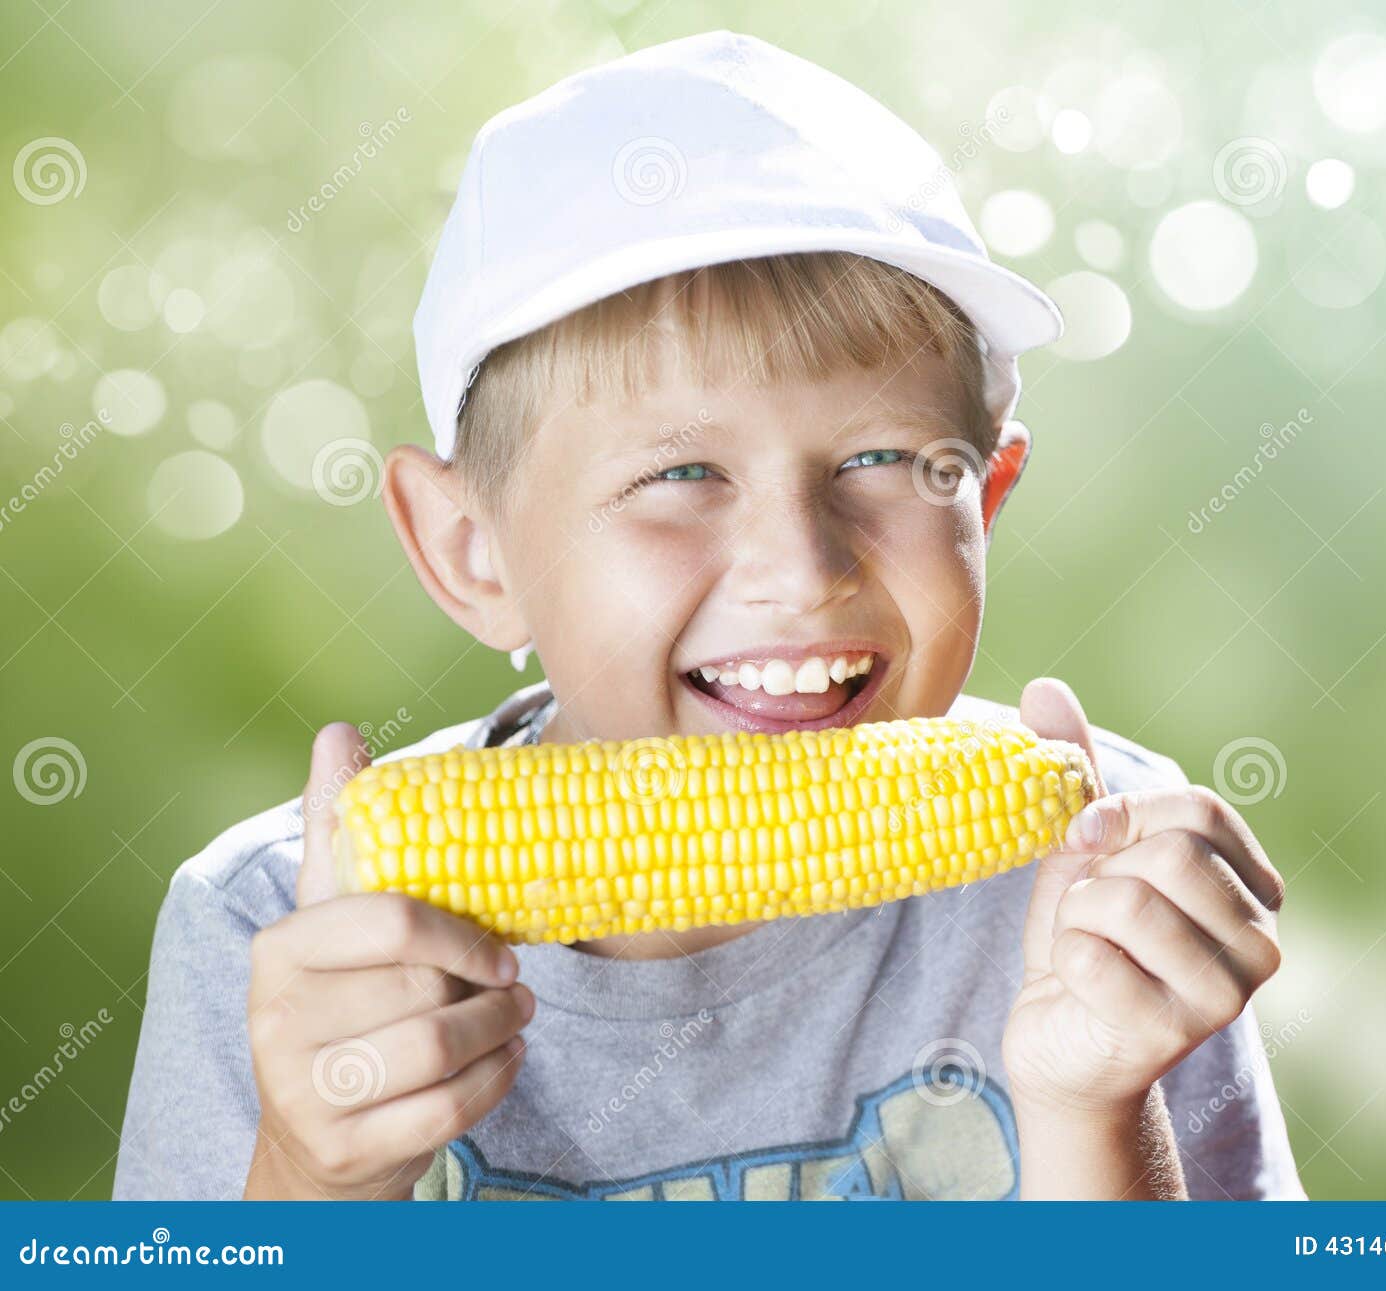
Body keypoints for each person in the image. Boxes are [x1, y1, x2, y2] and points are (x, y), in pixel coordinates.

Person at [115, 30, 1303, 1201]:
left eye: (885, 459)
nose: (799, 569)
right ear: (470, 550)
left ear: (984, 501)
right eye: (680, 478)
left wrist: (1097, 1109)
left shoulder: (1112, 887)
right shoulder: (277, 928)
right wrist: (314, 1183)